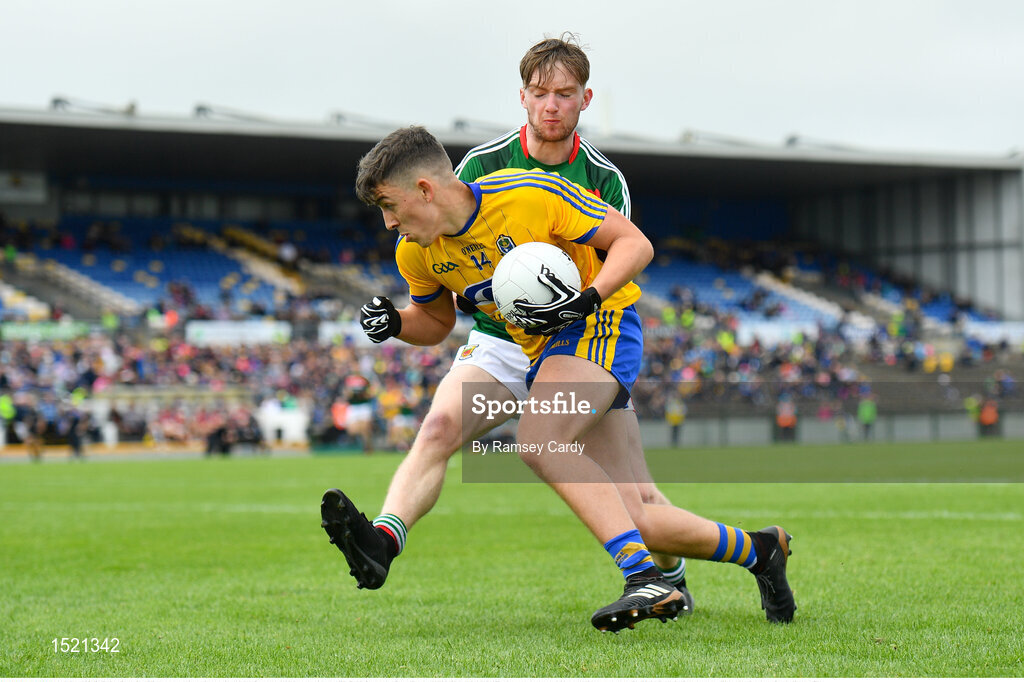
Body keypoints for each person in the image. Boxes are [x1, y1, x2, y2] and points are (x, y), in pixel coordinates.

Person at [321, 125, 795, 630]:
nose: (389, 223)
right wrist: (396, 323)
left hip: (598, 324)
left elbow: (635, 245)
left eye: (389, 206)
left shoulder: (530, 194)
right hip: (519, 347)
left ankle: (642, 578)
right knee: (637, 517)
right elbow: (436, 323)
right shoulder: (415, 252)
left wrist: (587, 297)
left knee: (540, 440)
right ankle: (762, 550)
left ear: (424, 189)